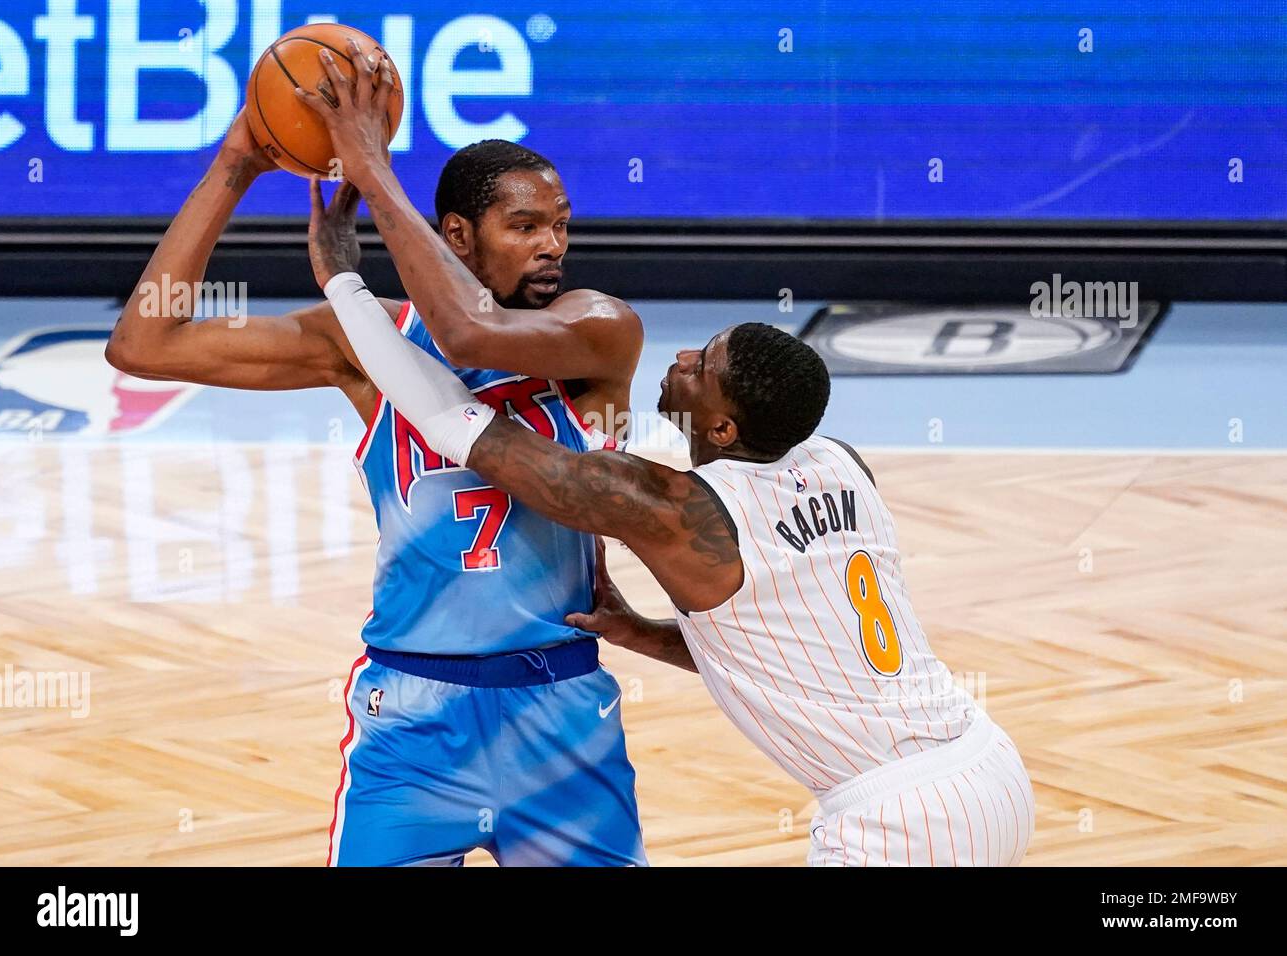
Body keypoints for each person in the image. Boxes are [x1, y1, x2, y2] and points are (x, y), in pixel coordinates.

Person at [308, 193, 1036, 865]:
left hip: (897, 819)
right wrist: (645, 634)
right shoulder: (838, 461)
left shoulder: (674, 509)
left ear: (721, 425)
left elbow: (447, 416)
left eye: (702, 366)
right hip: (989, 769)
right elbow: (795, 639)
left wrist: (344, 277)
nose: (682, 358)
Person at [106, 39, 648, 866]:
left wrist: (365, 166)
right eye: (526, 225)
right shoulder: (369, 341)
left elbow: (474, 330)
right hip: (413, 716)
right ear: (460, 236)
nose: (552, 245)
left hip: (561, 708)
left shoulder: (598, 330)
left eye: (561, 225)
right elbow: (145, 343)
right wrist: (235, 166)